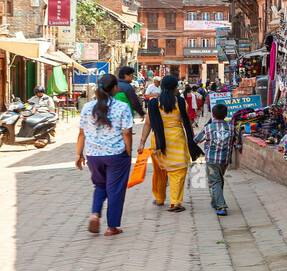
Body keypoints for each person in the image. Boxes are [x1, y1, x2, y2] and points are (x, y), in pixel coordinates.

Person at [75, 73, 134, 237]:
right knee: (115, 190)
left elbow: (81, 134)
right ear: (115, 88)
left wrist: (78, 154)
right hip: (116, 154)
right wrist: (128, 152)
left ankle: (95, 214)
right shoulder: (122, 107)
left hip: (93, 155)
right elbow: (127, 132)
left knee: (100, 185)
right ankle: (112, 227)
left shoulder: (87, 107)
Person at [139, 75, 201, 211]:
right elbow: (187, 122)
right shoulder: (180, 102)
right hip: (176, 139)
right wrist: (193, 138)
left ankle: (160, 199)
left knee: (160, 171)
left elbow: (148, 124)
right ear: (175, 88)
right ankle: (175, 202)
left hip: (158, 141)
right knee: (178, 170)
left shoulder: (154, 103)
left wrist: (142, 143)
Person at [195, 103, 242, 216]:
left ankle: (221, 206)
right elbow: (238, 144)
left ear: (213, 115)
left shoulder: (208, 128)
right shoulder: (231, 128)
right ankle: (215, 201)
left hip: (212, 159)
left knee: (215, 181)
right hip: (225, 160)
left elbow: (196, 140)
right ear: (226, 115)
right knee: (218, 179)